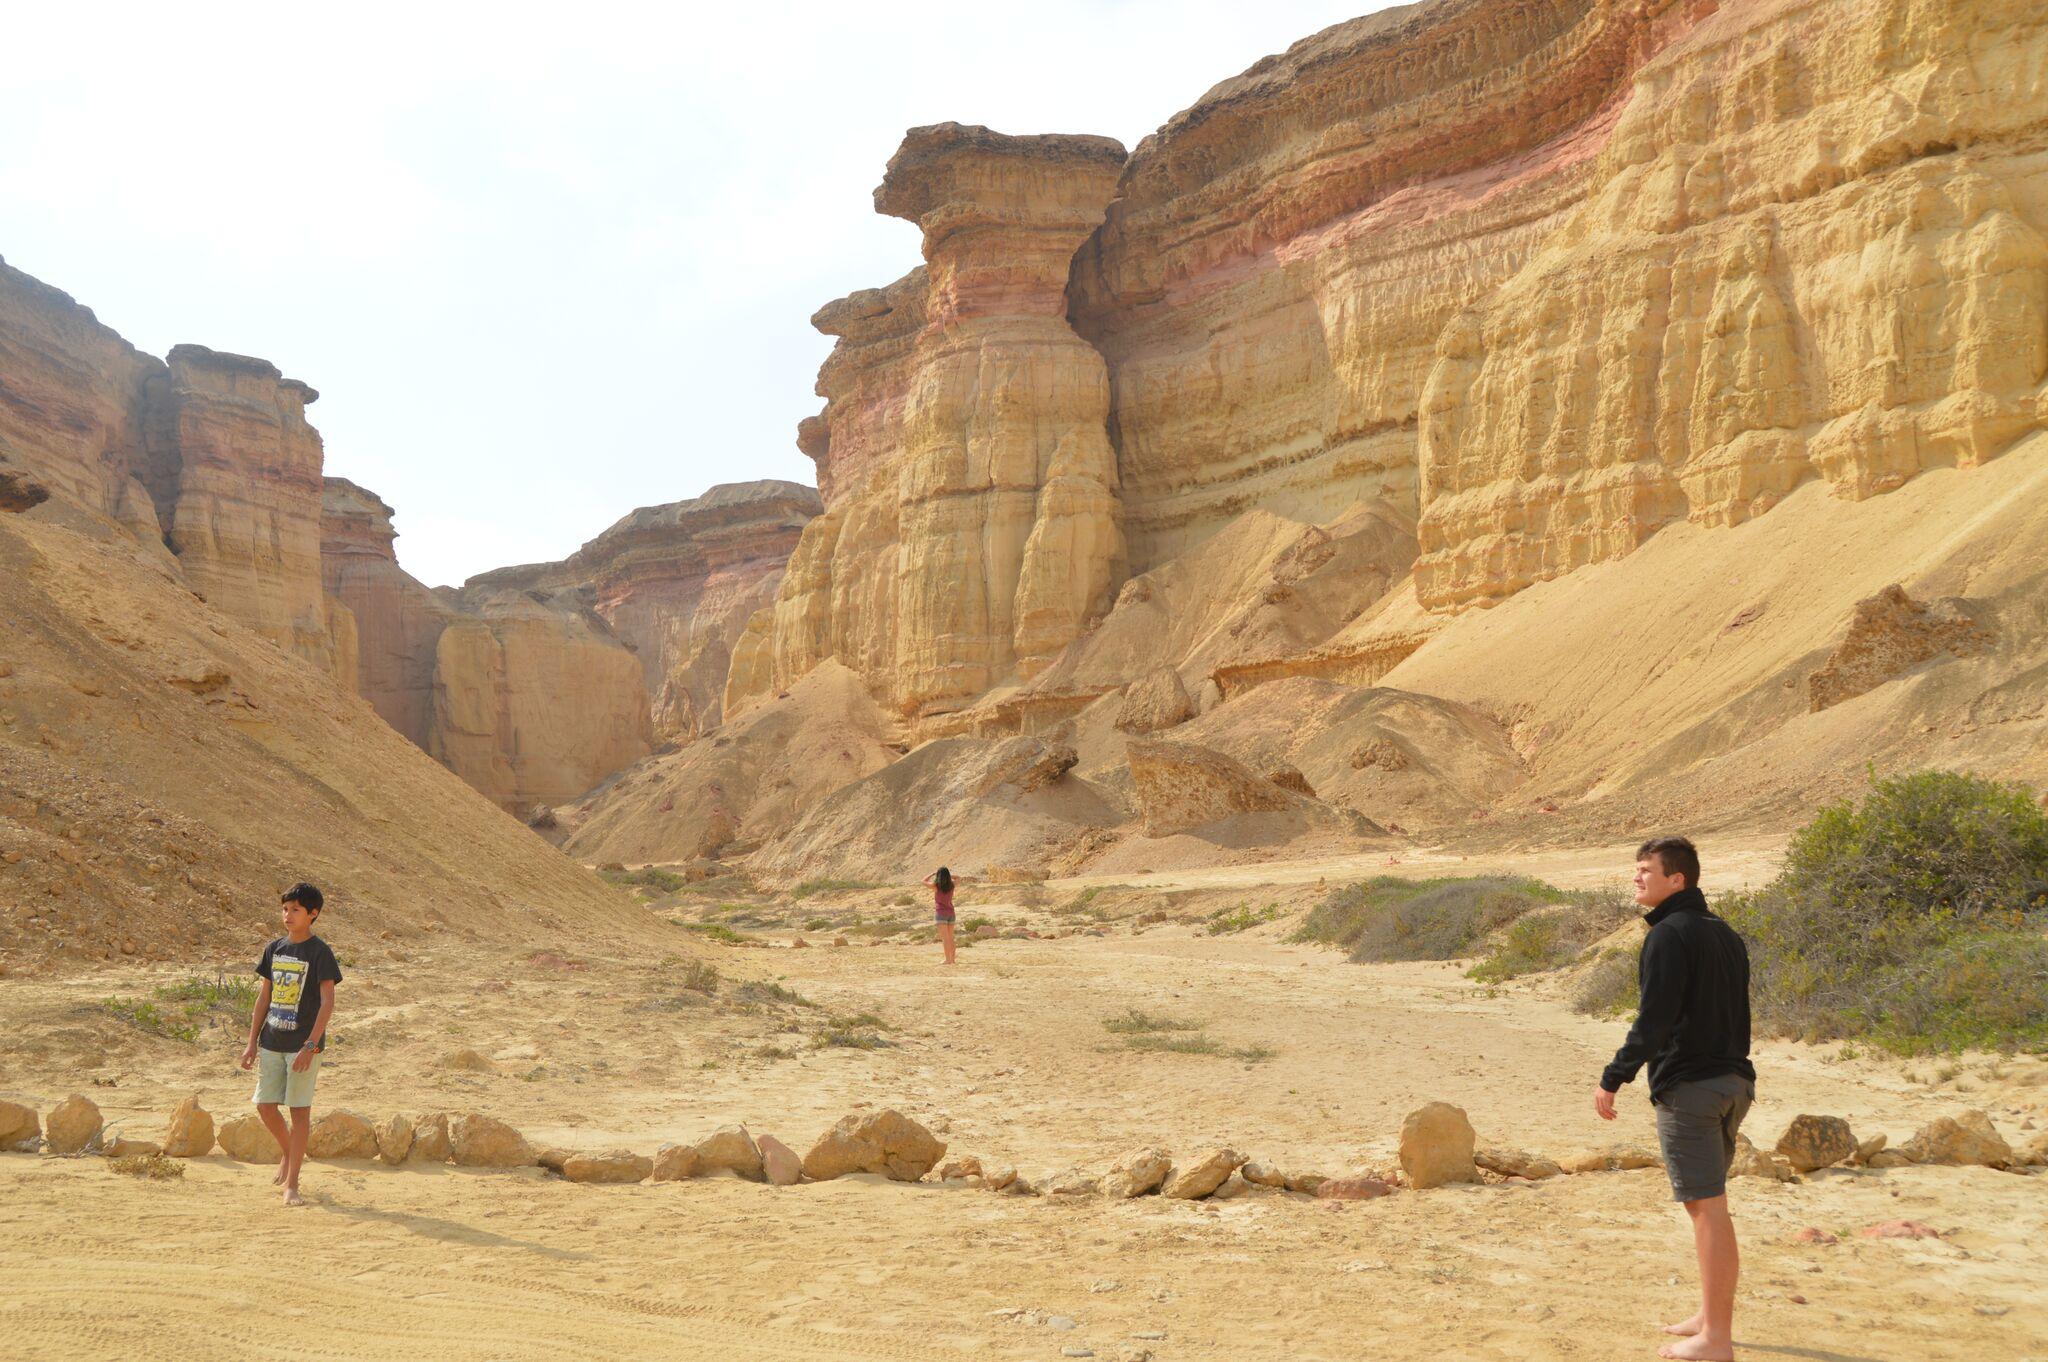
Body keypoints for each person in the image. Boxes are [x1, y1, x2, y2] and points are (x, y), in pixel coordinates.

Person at [1594, 836, 1755, 1362]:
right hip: (1734, 1083)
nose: (1636, 878)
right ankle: (1710, 1319)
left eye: (1645, 870)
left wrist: (1615, 1076)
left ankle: (1716, 1341)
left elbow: (1654, 1019)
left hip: (1692, 1087)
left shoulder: (1668, 935)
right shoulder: (1724, 933)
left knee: (1705, 1209)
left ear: (1676, 879)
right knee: (1711, 1207)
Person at [239, 882, 343, 1206]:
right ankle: (289, 1151)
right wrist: (251, 1043)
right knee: (265, 1106)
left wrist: (310, 1047)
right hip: (271, 1040)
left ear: (312, 914)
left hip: (304, 1046)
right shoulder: (274, 949)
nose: (288, 915)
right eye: (285, 909)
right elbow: (263, 998)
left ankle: (293, 1185)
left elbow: (327, 1003)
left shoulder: (320, 952)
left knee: (299, 1112)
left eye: (295, 910)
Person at [922, 866, 957, 966]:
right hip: (951, 913)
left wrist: (933, 874)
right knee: (950, 937)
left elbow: (923, 881)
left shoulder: (935, 886)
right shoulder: (952, 885)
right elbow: (959, 878)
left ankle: (947, 960)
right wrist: (949, 875)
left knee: (945, 938)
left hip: (941, 913)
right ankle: (952, 959)